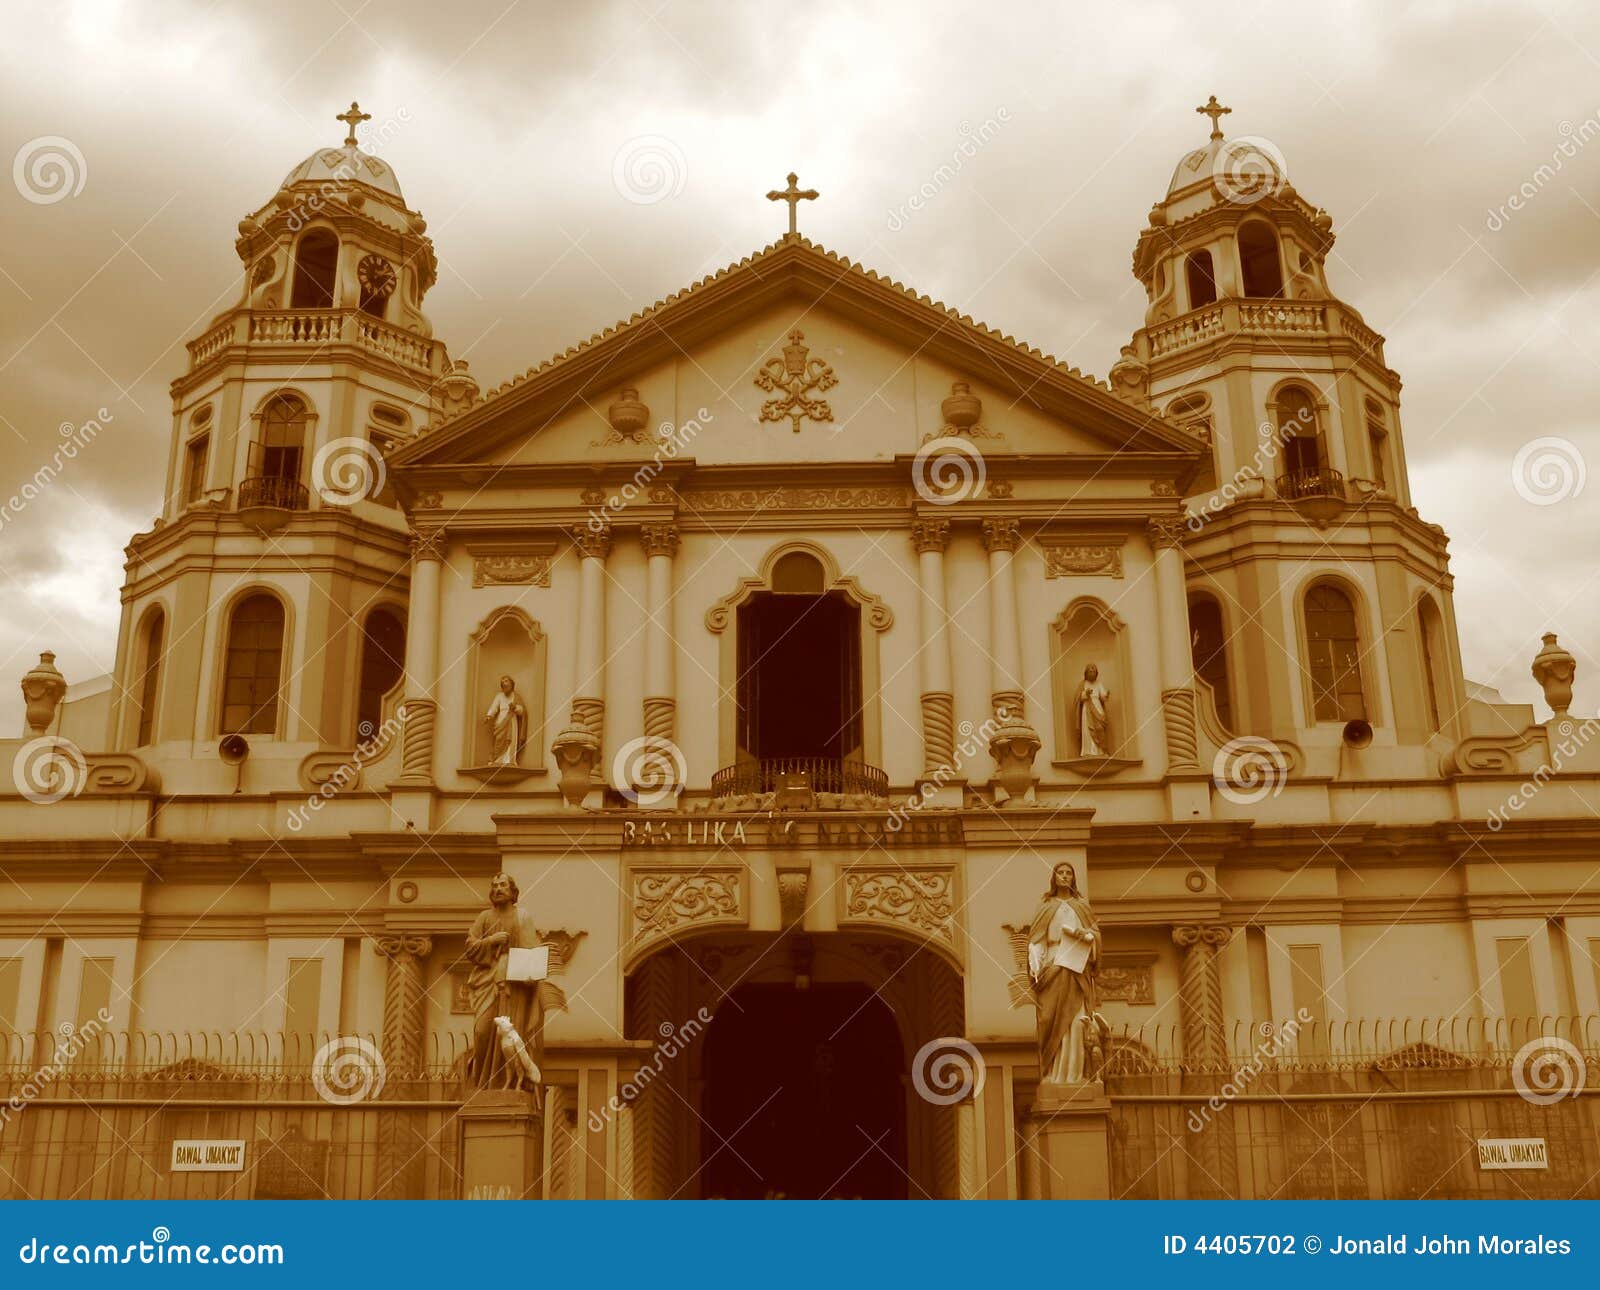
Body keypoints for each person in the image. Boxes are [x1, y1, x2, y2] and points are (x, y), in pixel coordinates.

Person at [464, 872, 543, 1090]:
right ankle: (481, 1083)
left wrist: (528, 975)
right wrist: (490, 941)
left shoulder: (522, 917)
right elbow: (470, 947)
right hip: (487, 981)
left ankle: (505, 1083)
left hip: (514, 984)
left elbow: (531, 950)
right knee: (481, 1031)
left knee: (509, 1036)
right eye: (495, 885)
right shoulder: (484, 918)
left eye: (503, 885)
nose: (498, 889)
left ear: (512, 891)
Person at [1028, 861, 1100, 1084]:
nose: (1065, 876)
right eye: (1061, 872)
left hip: (1077, 964)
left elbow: (1095, 934)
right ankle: (1051, 1071)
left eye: (1069, 873)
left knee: (1077, 1021)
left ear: (1073, 878)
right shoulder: (1046, 906)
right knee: (1048, 1017)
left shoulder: (1082, 906)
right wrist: (1035, 962)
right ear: (1054, 877)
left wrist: (1087, 936)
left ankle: (1075, 1074)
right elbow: (1036, 939)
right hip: (1053, 963)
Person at [484, 675, 526, 766]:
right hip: (501, 720)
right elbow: (494, 707)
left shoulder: (516, 696)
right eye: (503, 683)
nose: (505, 684)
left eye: (507, 682)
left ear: (511, 684)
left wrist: (515, 708)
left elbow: (522, 711)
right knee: (499, 739)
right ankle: (496, 759)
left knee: (511, 741)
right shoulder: (499, 696)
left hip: (512, 720)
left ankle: (509, 760)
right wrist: (489, 715)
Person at [1074, 663, 1110, 757]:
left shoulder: (1099, 683)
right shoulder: (1083, 684)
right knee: (1088, 729)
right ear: (1086, 673)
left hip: (1097, 707)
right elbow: (1078, 698)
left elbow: (1102, 696)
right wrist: (1086, 693)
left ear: (1096, 673)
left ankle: (1101, 751)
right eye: (1090, 671)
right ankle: (1088, 751)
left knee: (1099, 728)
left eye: (1094, 671)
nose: (1092, 673)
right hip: (1087, 709)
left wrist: (1106, 695)